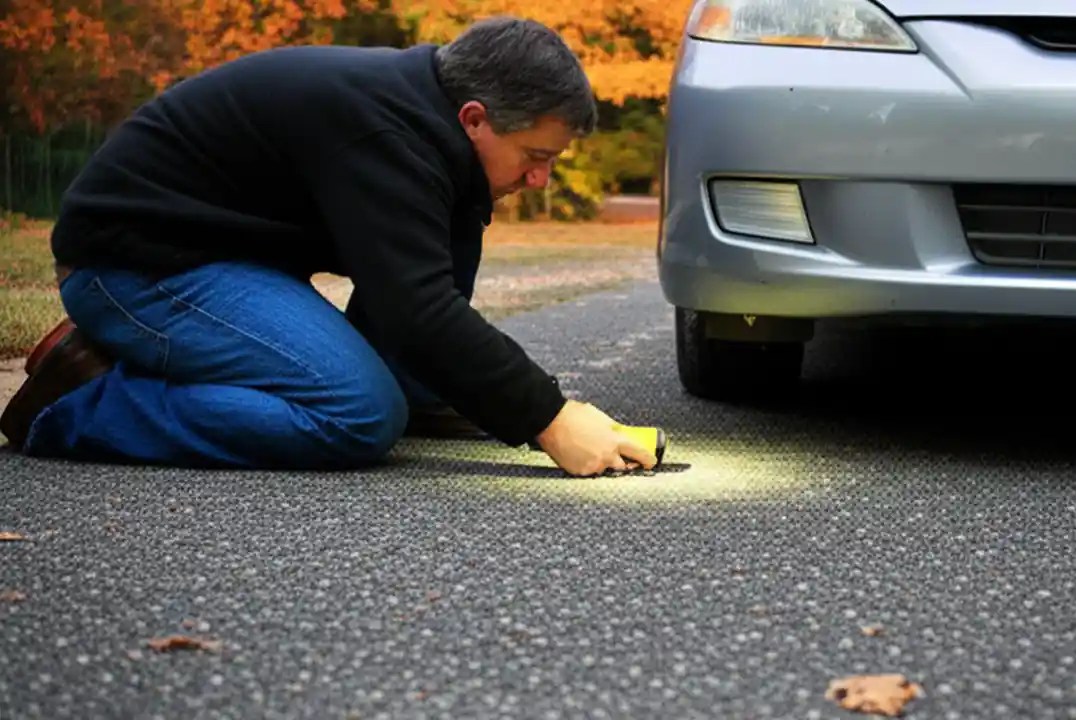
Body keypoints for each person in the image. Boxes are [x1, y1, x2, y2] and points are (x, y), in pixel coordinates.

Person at [0, 16, 659, 476]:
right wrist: (550, 419)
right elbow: (419, 307)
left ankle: (409, 394)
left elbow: (427, 281)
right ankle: (80, 405)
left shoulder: (435, 122)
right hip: (135, 264)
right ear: (475, 118)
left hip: (224, 256)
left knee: (402, 387)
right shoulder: (383, 133)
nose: (541, 177)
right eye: (535, 157)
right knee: (358, 414)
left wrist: (467, 391)